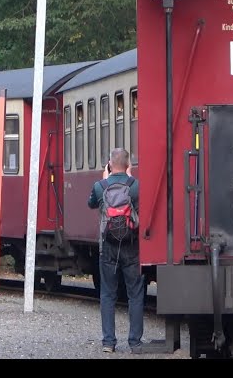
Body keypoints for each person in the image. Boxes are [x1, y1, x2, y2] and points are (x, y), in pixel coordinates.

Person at [88, 147, 144, 353]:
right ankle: (135, 343)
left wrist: (105, 180)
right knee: (135, 294)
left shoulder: (100, 186)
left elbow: (91, 204)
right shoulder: (135, 186)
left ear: (110, 164)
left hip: (108, 248)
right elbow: (141, 209)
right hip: (131, 247)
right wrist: (130, 180)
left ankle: (108, 343)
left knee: (108, 294)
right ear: (128, 165)